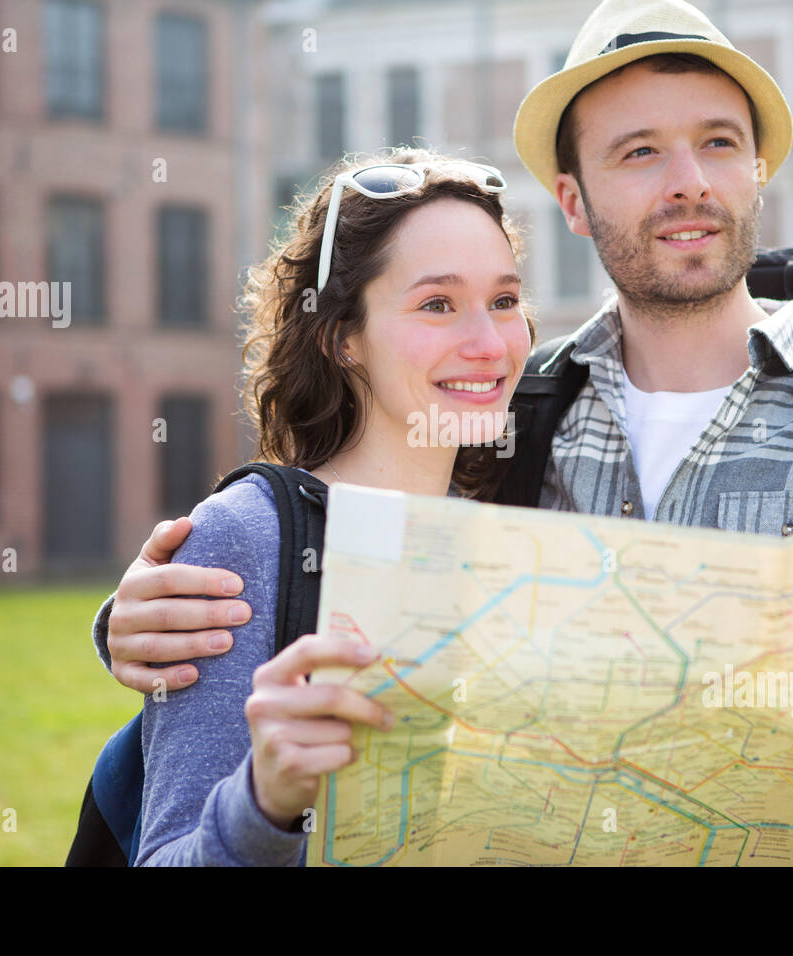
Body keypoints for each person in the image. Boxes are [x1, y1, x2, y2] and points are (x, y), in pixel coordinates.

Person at [93, 0, 793, 866]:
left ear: (757, 166)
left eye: (719, 143)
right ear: (573, 200)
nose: (687, 182)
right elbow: (334, 526)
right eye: (638, 151)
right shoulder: (518, 424)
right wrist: (148, 617)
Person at [124, 147, 533, 865]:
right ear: (343, 337)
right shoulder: (245, 538)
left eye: (503, 301)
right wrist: (263, 803)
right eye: (437, 304)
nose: (489, 343)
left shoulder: (516, 530)